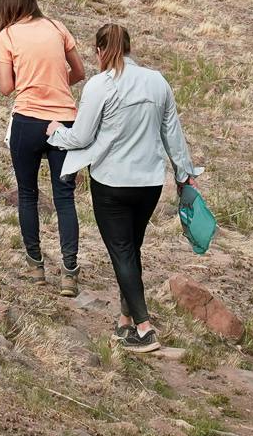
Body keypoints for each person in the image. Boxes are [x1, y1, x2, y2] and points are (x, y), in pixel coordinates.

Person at [47, 23, 197, 354]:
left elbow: (82, 136)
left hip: (112, 182)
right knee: (130, 249)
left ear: (100, 52)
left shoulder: (100, 85)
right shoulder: (157, 81)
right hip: (149, 183)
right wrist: (185, 174)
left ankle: (144, 329)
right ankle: (125, 322)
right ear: (129, 47)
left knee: (123, 252)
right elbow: (173, 133)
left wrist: (56, 132)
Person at [0, 0, 87, 295]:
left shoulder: (7, 36)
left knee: (28, 194)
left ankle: (36, 269)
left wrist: (28, 80)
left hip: (28, 120)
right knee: (65, 198)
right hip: (64, 120)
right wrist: (56, 83)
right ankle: (70, 273)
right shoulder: (57, 27)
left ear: (7, 6)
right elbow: (79, 72)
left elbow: (6, 88)